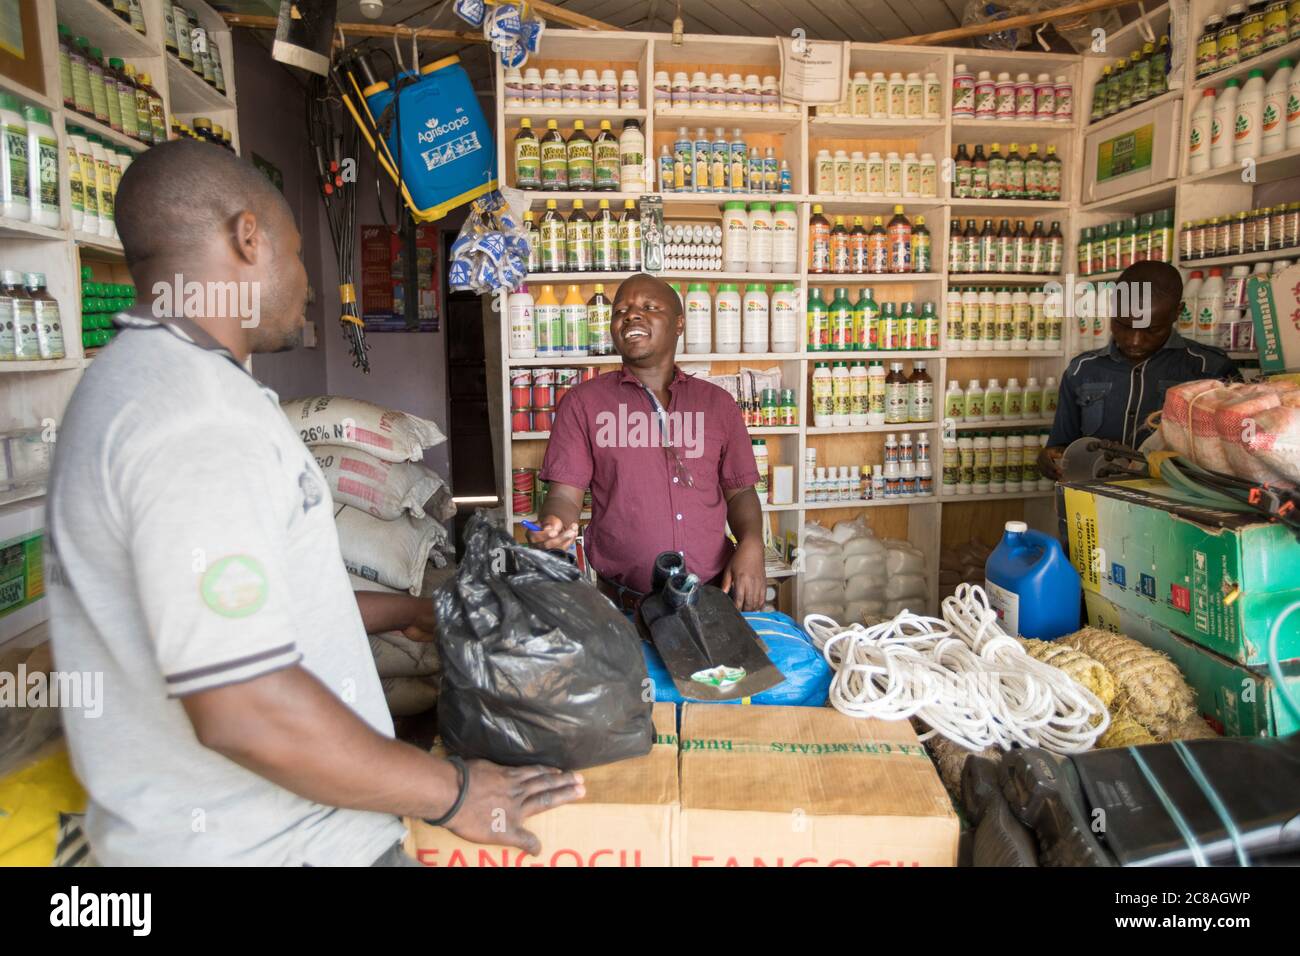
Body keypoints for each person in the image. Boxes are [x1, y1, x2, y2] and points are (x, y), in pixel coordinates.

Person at [45, 140, 583, 867]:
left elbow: (248, 607)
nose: (307, 283)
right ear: (247, 237)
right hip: (271, 847)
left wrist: (414, 611)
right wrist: (454, 792)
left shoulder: (133, 386)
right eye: (297, 254)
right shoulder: (196, 420)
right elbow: (245, 706)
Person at [528, 274, 766, 611]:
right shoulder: (584, 403)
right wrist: (553, 525)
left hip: (712, 598)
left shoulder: (717, 404)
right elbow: (564, 495)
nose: (630, 315)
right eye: (620, 310)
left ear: (679, 324)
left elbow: (740, 491)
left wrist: (752, 544)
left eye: (649, 307)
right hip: (627, 607)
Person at [1038, 261, 1238, 480]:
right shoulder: (1082, 370)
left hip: (1171, 506)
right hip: (1095, 501)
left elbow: (1234, 458)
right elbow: (1061, 445)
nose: (1134, 341)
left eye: (1152, 330)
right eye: (1123, 325)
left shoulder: (1209, 369)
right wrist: (1049, 457)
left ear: (1177, 312)